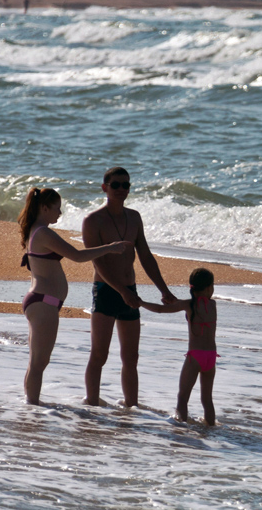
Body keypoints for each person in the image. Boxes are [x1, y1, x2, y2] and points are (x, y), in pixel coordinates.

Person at [17, 187, 131, 404]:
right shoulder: (43, 232)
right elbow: (77, 256)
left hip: (41, 301)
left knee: (37, 362)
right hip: (43, 302)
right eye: (57, 209)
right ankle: (31, 409)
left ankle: (30, 406)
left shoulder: (36, 230)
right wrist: (109, 248)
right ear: (44, 208)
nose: (60, 214)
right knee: (39, 362)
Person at [82, 167, 176, 407]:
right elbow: (98, 262)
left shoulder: (134, 217)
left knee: (131, 357)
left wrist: (164, 290)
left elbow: (145, 255)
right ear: (105, 187)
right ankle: (91, 405)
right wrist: (121, 291)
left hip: (130, 290)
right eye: (116, 185)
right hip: (105, 291)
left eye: (126, 185)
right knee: (99, 354)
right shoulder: (93, 220)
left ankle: (131, 408)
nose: (121, 189)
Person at [141, 268, 218, 426]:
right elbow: (189, 304)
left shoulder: (189, 305)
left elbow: (160, 309)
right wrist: (176, 302)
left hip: (195, 357)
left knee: (183, 397)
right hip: (211, 357)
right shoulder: (212, 305)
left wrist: (141, 303)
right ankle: (211, 428)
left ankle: (181, 428)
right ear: (209, 288)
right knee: (207, 399)